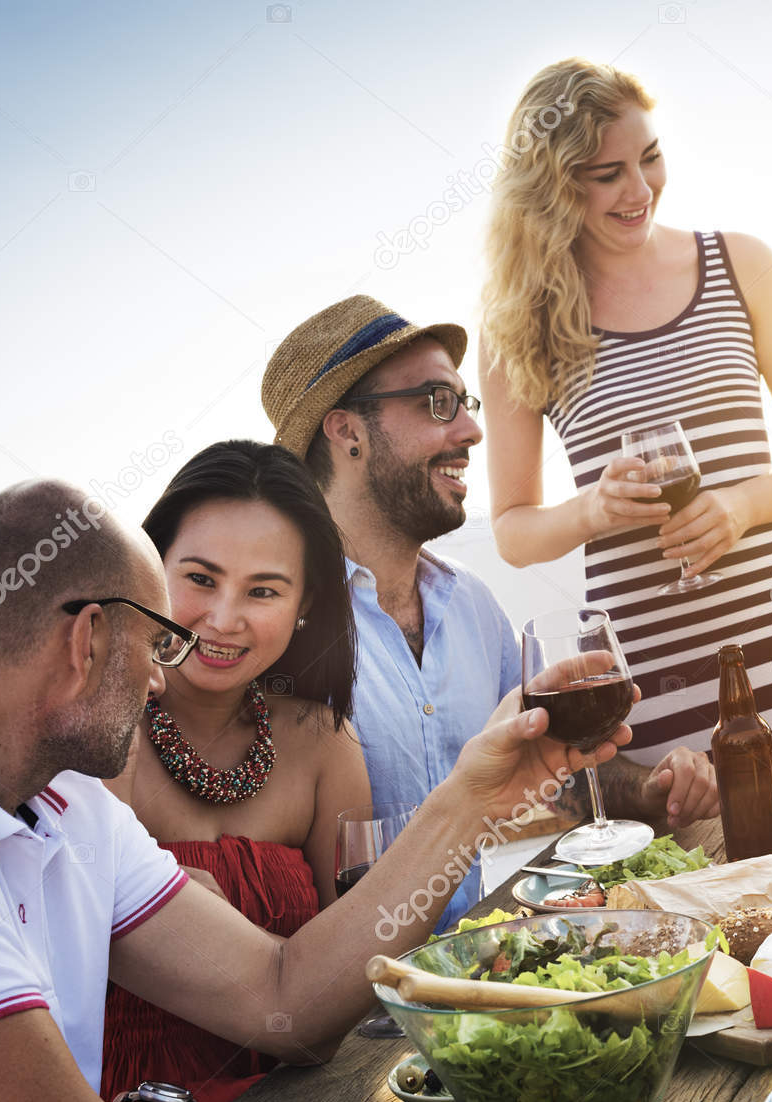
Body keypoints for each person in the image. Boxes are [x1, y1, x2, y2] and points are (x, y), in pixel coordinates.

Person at [0, 480, 619, 1102]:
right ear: (86, 640)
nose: (160, 679)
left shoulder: (73, 810)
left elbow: (286, 998)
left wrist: (475, 799)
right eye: (155, 644)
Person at [263, 294, 718, 928]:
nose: (472, 432)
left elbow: (553, 765)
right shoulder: (278, 624)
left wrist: (646, 789)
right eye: (436, 403)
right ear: (347, 432)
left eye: (464, 403)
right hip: (361, 983)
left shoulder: (471, 603)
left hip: (485, 955)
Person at [477, 58, 772, 778]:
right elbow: (512, 531)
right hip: (650, 685)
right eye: (607, 174)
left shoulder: (740, 263)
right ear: (553, 186)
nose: (640, 189)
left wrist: (742, 506)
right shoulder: (518, 326)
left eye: (650, 158)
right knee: (687, 851)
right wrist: (593, 510)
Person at [99, 441, 371, 1102]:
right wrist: (299, 965)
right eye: (200, 578)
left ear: (306, 603)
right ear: (150, 570)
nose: (223, 619)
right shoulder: (101, 733)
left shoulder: (324, 742)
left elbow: (365, 959)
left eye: (263, 590)